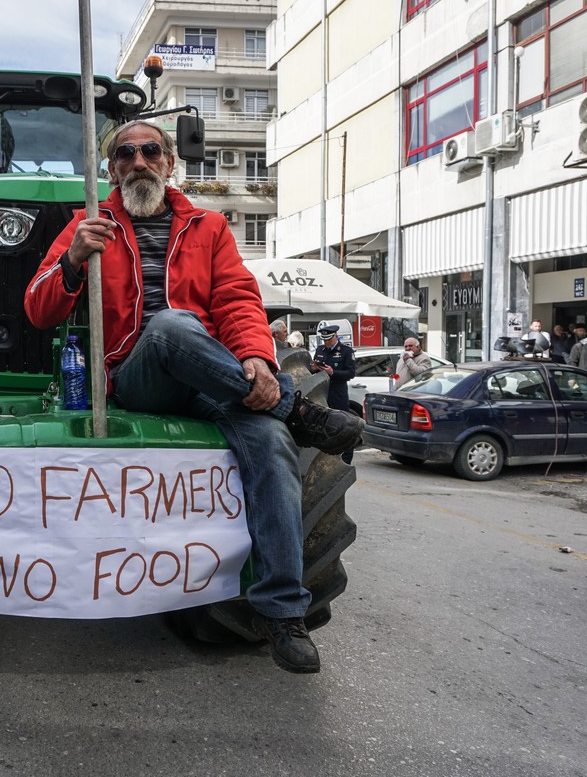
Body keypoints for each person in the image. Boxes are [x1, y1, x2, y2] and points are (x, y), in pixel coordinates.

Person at [24, 120, 363, 674]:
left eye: (150, 151)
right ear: (111, 169)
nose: (138, 161)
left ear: (170, 163)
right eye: (125, 153)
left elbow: (236, 300)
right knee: (172, 328)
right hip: (135, 378)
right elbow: (38, 310)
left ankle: (282, 612)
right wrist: (70, 261)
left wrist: (255, 357)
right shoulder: (90, 227)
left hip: (209, 382)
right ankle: (297, 411)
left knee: (273, 444)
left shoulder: (208, 226)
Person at [312, 323, 357, 464]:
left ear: (336, 336)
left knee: (341, 425)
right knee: (322, 426)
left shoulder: (346, 351)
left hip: (337, 393)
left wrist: (333, 372)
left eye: (328, 339)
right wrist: (313, 368)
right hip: (321, 392)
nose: (326, 342)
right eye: (324, 340)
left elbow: (351, 373)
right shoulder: (320, 350)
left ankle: (345, 458)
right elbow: (314, 370)